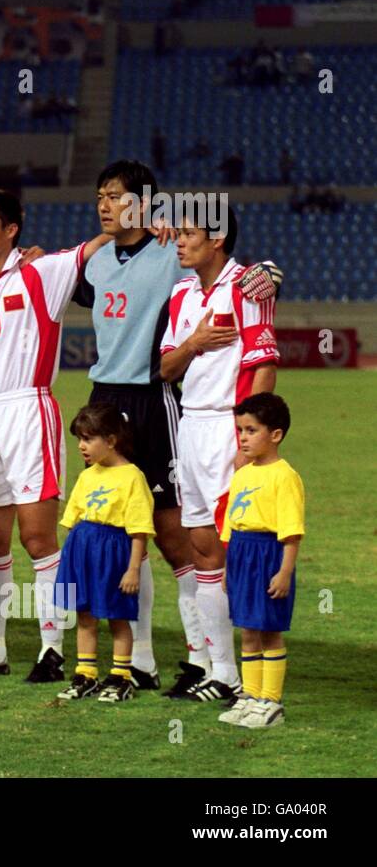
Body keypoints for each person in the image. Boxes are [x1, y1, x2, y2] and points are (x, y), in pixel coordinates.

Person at [73, 161, 282, 693]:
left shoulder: (174, 253)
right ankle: (139, 659)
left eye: (115, 195)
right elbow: (43, 274)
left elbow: (241, 270)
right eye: (99, 195)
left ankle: (205, 659)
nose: (104, 203)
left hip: (157, 403)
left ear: (142, 204)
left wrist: (270, 273)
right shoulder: (94, 261)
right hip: (106, 395)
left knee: (177, 538)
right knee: (117, 530)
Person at [0, 188, 117, 682]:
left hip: (30, 408)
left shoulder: (40, 273)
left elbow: (94, 246)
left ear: (12, 229)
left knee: (39, 537)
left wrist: (152, 222)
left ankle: (53, 647)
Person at [160, 206, 279, 704]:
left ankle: (258, 673)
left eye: (189, 234)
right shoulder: (180, 294)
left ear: (217, 240)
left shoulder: (246, 289)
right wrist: (194, 343)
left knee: (240, 551)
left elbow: (264, 362)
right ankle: (224, 674)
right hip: (191, 427)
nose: (181, 242)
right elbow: (167, 368)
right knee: (203, 552)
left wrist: (246, 436)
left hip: (228, 427)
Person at [54, 404, 152, 703]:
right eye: (80, 439)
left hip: (113, 553)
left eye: (88, 439)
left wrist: (133, 568)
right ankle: (86, 674)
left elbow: (139, 529)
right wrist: (71, 560)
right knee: (84, 615)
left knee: (117, 616)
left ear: (110, 440)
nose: (82, 446)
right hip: (82, 551)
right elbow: (73, 520)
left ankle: (121, 678)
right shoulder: (87, 476)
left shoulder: (132, 477)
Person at [217, 393, 302, 729]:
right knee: (248, 630)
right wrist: (227, 568)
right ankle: (249, 697)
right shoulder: (242, 474)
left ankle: (270, 702)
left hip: (268, 555)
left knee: (269, 631)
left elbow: (292, 532)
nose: (243, 437)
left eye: (251, 430)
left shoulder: (285, 476)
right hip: (241, 554)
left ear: (275, 435)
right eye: (240, 430)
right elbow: (231, 526)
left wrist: (284, 572)